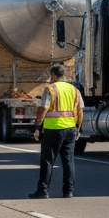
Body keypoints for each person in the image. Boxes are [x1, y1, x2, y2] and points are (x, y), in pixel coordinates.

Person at [29, 64, 84, 199]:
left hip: (53, 129)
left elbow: (43, 109)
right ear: (64, 75)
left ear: (53, 75)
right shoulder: (74, 90)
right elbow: (80, 110)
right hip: (70, 129)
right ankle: (68, 191)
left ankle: (43, 191)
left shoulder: (50, 89)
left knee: (47, 161)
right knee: (68, 161)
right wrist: (77, 127)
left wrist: (37, 127)